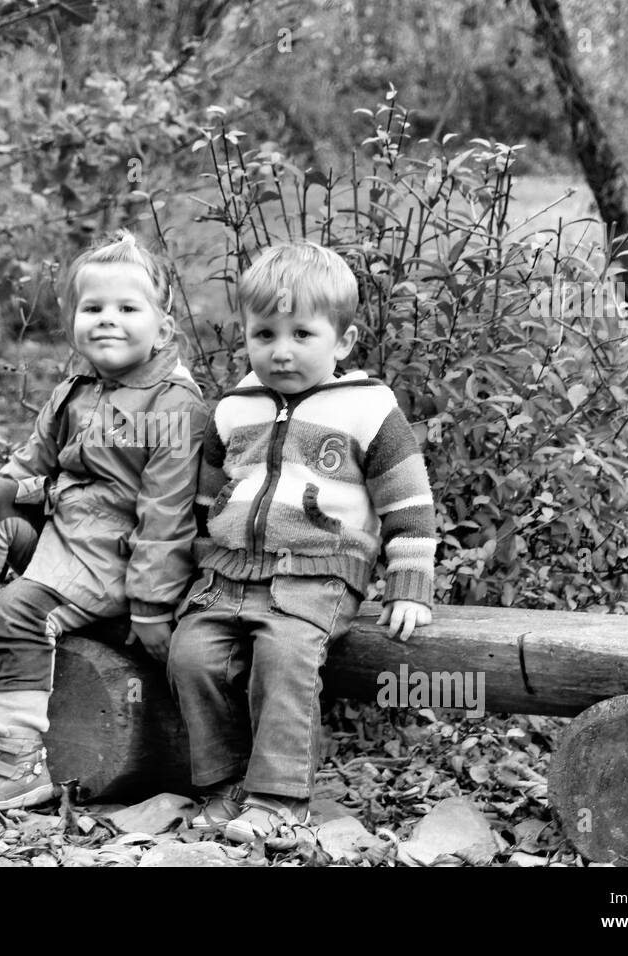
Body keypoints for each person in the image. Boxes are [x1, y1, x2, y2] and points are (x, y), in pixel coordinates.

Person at [0, 230, 208, 811]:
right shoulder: (74, 392)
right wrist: (14, 492)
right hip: (65, 537)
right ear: (72, 320)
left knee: (20, 607)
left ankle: (17, 760)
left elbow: (165, 518)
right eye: (92, 308)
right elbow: (27, 465)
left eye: (127, 308)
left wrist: (150, 605)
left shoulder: (174, 407)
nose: (107, 321)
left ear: (164, 327)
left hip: (114, 560)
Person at [167, 240, 438, 842]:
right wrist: (197, 561)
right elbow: (212, 498)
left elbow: (408, 502)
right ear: (245, 334)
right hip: (230, 574)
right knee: (191, 656)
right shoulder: (234, 409)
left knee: (284, 656)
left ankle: (279, 798)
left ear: (341, 341)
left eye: (301, 335)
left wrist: (409, 585)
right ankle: (225, 783)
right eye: (264, 334)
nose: (280, 351)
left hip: (319, 573)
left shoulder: (367, 408)